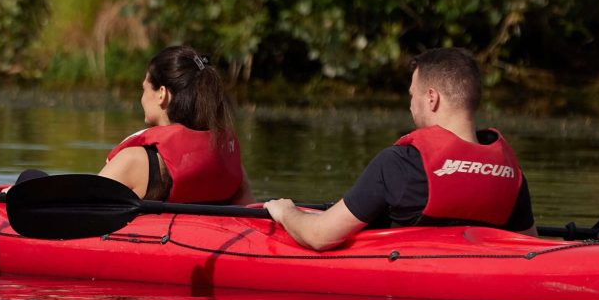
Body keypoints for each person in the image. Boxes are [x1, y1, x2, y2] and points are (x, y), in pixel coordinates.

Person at [264, 46, 532, 248]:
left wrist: (286, 212)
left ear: (431, 98)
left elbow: (318, 236)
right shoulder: (510, 173)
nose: (410, 105)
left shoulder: (400, 164)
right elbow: (530, 248)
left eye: (412, 95)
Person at [96, 45, 251, 204]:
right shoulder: (228, 164)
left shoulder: (134, 161)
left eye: (144, 89)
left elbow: (82, 214)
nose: (142, 98)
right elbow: (249, 217)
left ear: (162, 94)